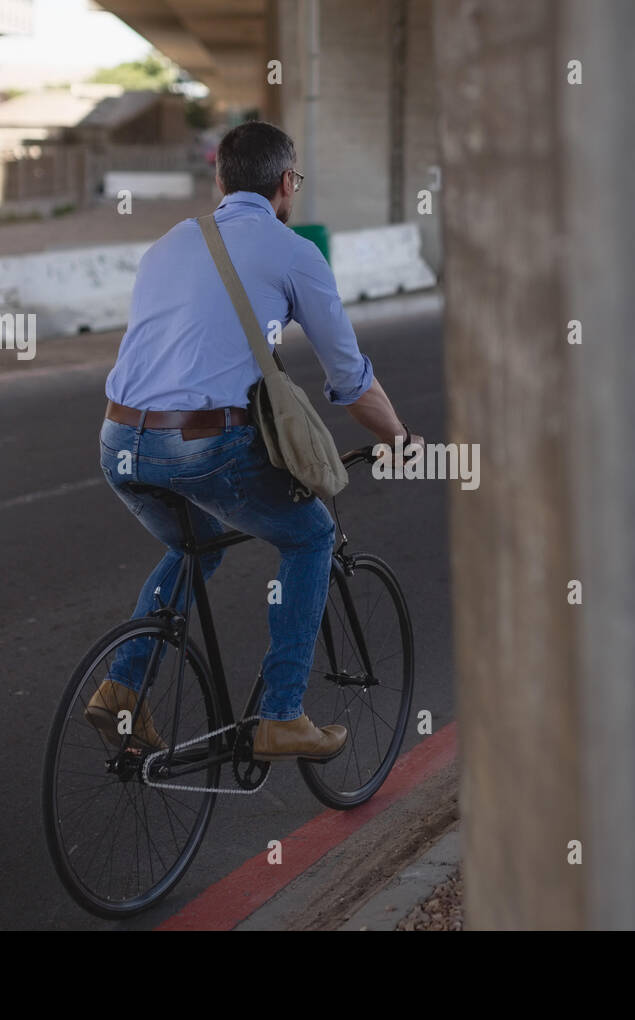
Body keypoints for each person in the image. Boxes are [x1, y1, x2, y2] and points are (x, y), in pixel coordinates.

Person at [89, 120, 423, 762]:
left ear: (219, 179)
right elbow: (350, 381)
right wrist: (400, 437)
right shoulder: (295, 252)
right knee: (311, 536)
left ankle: (123, 688)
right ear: (285, 184)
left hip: (117, 441)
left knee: (199, 542)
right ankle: (282, 716)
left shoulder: (164, 246)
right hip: (201, 444)